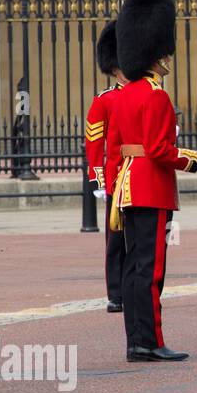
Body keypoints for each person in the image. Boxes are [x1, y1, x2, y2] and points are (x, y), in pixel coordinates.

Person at [108, 0, 197, 362]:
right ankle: (150, 341)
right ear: (156, 55)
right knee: (151, 270)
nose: (169, 57)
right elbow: (157, 151)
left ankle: (135, 340)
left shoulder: (122, 96)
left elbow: (117, 147)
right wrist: (195, 160)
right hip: (151, 189)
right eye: (165, 51)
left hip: (127, 188)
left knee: (133, 267)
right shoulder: (155, 96)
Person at [84, 20, 126, 314]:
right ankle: (115, 293)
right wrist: (99, 180)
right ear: (114, 67)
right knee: (116, 240)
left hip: (140, 175)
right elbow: (94, 144)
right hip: (115, 177)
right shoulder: (104, 100)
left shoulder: (147, 93)